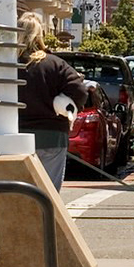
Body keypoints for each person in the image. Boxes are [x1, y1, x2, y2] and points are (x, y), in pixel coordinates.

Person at [17, 12, 88, 193]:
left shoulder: (6, 64)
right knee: (48, 195)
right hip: (51, 136)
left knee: (18, 195)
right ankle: (46, 221)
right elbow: (80, 90)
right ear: (40, 34)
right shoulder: (55, 64)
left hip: (13, 137)